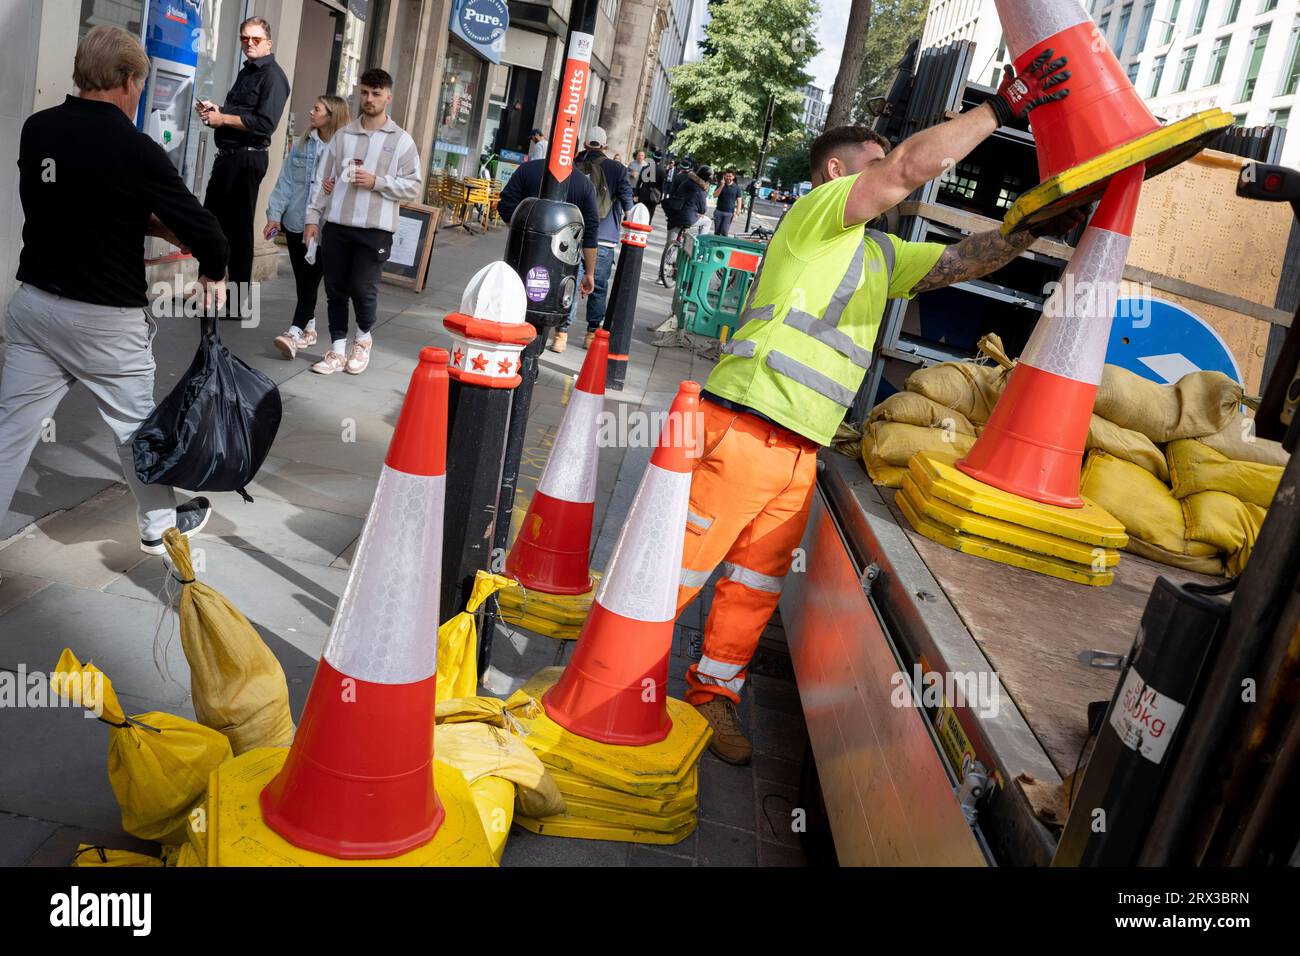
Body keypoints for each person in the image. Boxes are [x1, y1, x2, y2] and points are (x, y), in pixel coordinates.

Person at [674, 53, 1078, 765]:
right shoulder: (819, 213)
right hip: (742, 426)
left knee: (751, 586)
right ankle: (613, 676)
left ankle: (712, 697)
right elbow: (908, 170)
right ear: (840, 172)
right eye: (876, 156)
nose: (890, 164)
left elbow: (965, 262)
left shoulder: (876, 255)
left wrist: (1038, 221)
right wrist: (1000, 111)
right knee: (672, 571)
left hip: (798, 447)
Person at [1, 26, 227, 557]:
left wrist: (142, 222)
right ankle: (158, 525)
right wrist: (212, 273)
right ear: (128, 80)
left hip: (34, 306)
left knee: (10, 431)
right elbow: (208, 233)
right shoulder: (137, 149)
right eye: (139, 86)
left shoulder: (38, 129)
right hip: (105, 319)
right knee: (134, 426)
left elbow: (70, 203)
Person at [303, 68, 421, 376]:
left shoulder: (402, 141)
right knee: (335, 289)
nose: (369, 99)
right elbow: (323, 179)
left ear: (388, 97)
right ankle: (337, 349)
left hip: (376, 229)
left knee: (363, 289)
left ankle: (364, 338)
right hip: (338, 225)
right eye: (365, 92)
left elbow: (413, 186)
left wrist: (377, 182)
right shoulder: (343, 136)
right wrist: (312, 218)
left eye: (376, 94)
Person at [195, 16, 290, 320]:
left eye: (256, 39)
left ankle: (235, 304)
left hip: (247, 157)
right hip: (229, 156)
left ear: (269, 43)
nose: (249, 44)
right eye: (244, 39)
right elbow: (239, 113)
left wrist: (223, 119)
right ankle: (208, 290)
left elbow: (265, 124)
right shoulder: (246, 72)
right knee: (210, 223)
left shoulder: (273, 76)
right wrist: (216, 112)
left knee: (237, 231)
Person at [265, 94, 350, 360]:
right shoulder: (303, 144)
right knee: (304, 280)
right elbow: (286, 181)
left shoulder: (345, 149)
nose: (311, 112)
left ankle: (293, 332)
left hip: (326, 227)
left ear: (331, 115)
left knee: (311, 279)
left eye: (317, 109)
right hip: (294, 222)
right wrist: (274, 214)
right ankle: (309, 328)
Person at [497, 156, 599, 350]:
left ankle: (509, 354)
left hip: (521, 254)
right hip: (559, 265)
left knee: (512, 303)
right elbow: (591, 232)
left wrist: (523, 232)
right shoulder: (584, 185)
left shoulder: (528, 169)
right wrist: (590, 272)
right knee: (544, 310)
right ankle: (533, 355)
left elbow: (505, 205)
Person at [553, 126, 634, 352]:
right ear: (605, 145)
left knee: (568, 282)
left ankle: (561, 335)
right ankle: (590, 333)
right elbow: (628, 202)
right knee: (597, 287)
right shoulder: (617, 169)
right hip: (604, 238)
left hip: (573, 234)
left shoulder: (572, 164)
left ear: (585, 144)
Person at [657, 163, 711, 285]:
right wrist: (700, 212)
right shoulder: (700, 189)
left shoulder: (686, 182)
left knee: (669, 247)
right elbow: (703, 209)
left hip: (674, 216)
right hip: (688, 218)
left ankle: (661, 276)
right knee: (707, 222)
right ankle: (701, 245)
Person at [636, 152, 666, 224]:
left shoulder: (645, 168)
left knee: (640, 214)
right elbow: (661, 186)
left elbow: (639, 182)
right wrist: (660, 198)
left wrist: (636, 194)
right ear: (660, 160)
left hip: (643, 194)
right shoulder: (662, 171)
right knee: (649, 216)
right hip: (654, 196)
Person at [712, 168, 743, 236]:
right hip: (718, 212)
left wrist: (737, 214)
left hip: (729, 214)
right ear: (724, 176)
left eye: (730, 176)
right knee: (716, 232)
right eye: (727, 176)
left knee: (724, 232)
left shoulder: (736, 187)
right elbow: (714, 195)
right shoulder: (720, 184)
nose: (728, 178)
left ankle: (722, 245)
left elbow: (739, 201)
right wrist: (722, 185)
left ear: (733, 177)